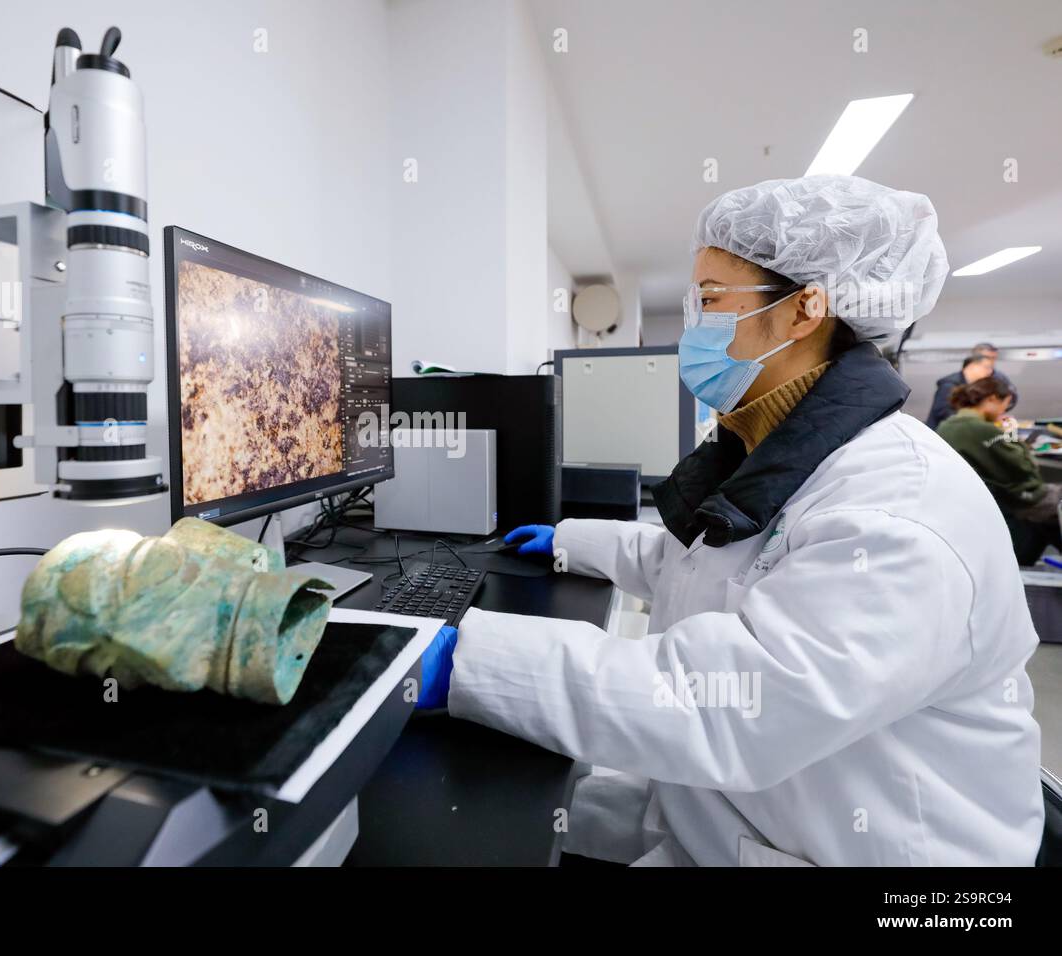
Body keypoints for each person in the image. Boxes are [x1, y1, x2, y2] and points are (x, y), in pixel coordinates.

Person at [418, 174, 1042, 866]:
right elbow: (695, 566)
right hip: (746, 816)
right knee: (527, 812)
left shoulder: (897, 510)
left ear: (808, 307)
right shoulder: (791, 450)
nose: (695, 326)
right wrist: (569, 539)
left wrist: (467, 660)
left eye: (712, 302)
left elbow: (725, 705)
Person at [937, 375, 1062, 565]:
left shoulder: (946, 426)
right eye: (1005, 404)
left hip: (990, 500)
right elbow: (1025, 467)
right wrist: (1011, 433)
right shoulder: (981, 429)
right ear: (992, 399)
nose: (1003, 411)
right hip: (1020, 499)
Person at [926, 342, 1017, 430]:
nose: (990, 372)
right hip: (939, 437)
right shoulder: (948, 385)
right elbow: (946, 414)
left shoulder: (990, 378)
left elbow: (1010, 395)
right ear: (972, 366)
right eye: (986, 368)